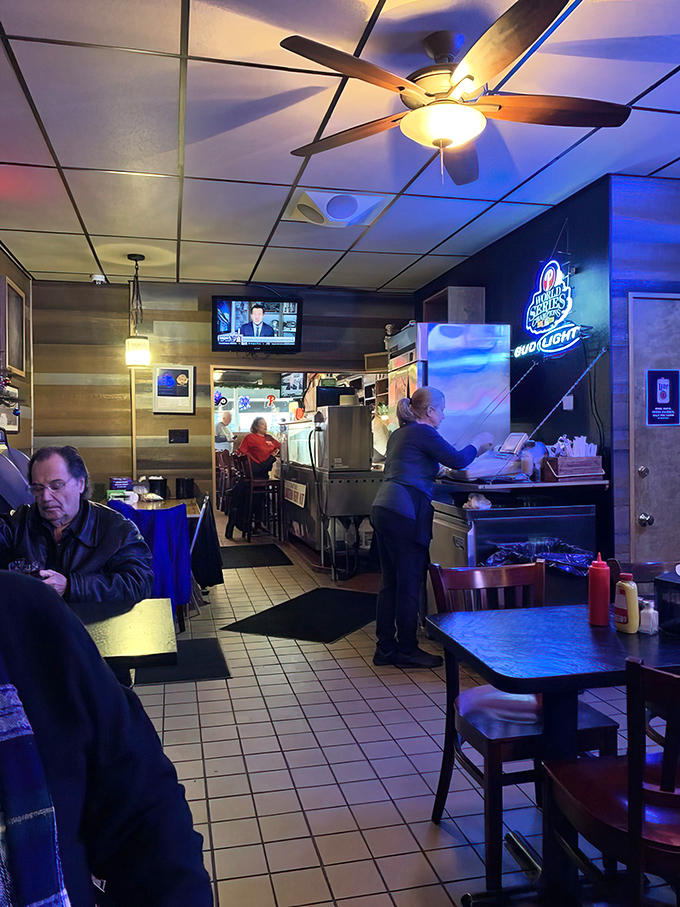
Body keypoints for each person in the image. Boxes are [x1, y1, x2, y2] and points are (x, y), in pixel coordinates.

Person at [0, 570, 213, 907]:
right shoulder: (21, 535)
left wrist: (73, 585)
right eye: (36, 509)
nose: (47, 511)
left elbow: (140, 578)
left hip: (81, 659)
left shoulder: (24, 609)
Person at [371, 387, 493, 669]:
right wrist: (479, 442)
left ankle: (385, 648)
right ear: (430, 411)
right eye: (442, 409)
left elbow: (411, 465)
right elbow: (460, 460)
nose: (444, 415)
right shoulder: (423, 432)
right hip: (405, 511)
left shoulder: (400, 434)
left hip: (384, 508)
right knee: (410, 581)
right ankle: (407, 650)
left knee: (390, 582)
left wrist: (433, 469)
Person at [0, 445, 153, 604]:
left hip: (91, 625)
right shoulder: (20, 522)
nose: (45, 497)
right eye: (38, 488)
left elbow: (139, 584)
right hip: (34, 624)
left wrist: (71, 586)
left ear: (80, 484)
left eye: (56, 486)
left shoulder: (117, 530)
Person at [225, 418, 281, 539]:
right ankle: (257, 522)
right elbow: (241, 453)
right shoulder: (250, 438)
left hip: (259, 473)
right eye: (262, 424)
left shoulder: (269, 438)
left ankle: (257, 522)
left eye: (266, 424)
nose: (265, 426)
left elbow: (280, 446)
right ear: (255, 426)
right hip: (257, 473)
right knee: (258, 494)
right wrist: (271, 457)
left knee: (257, 495)